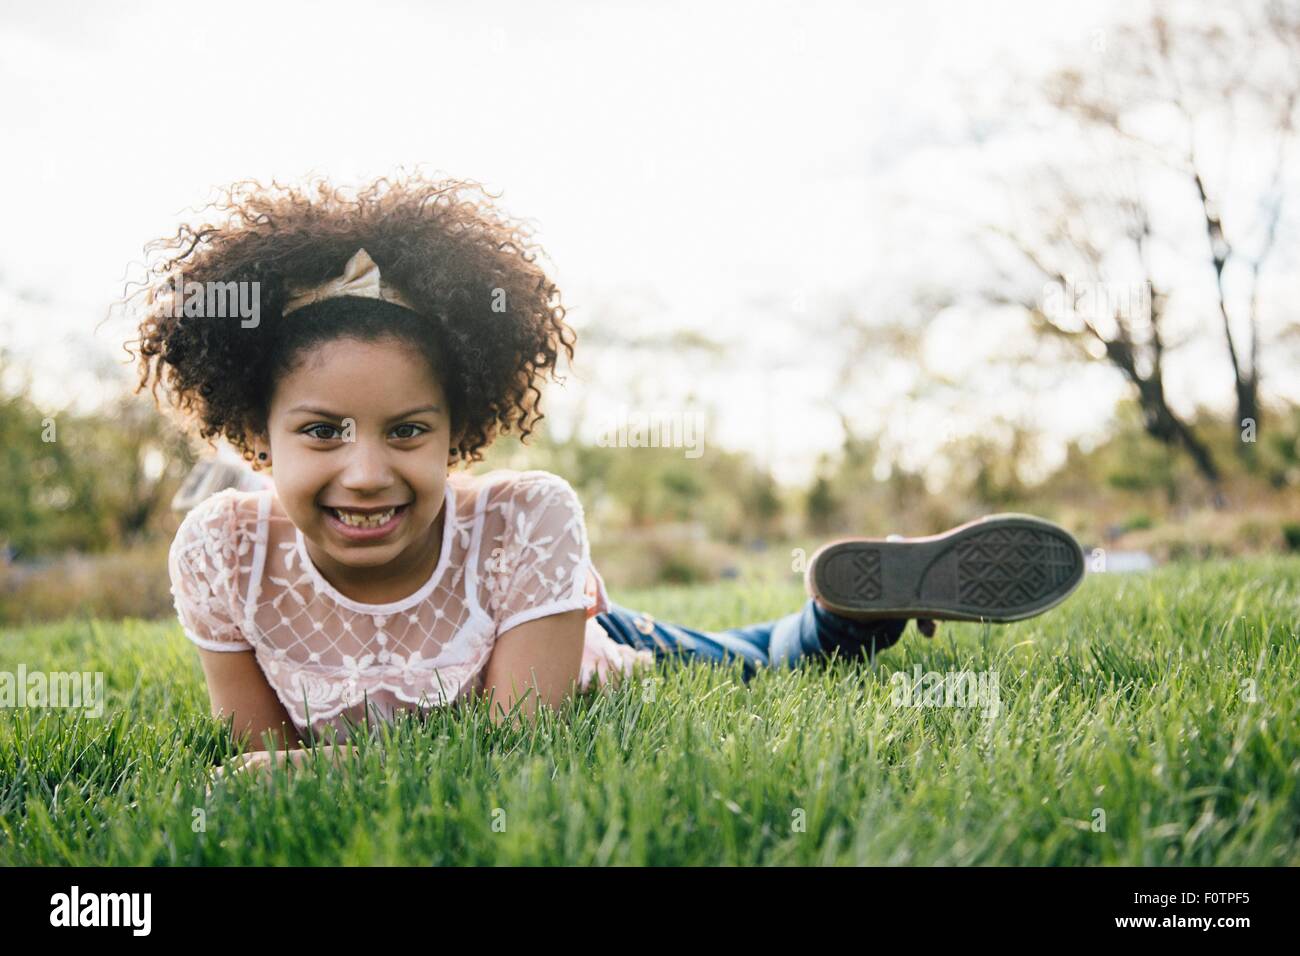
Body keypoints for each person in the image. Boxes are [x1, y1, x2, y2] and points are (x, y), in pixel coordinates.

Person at [126, 173, 1084, 781]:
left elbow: (514, 745)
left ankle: (842, 614)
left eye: (408, 430)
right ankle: (846, 607)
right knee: (746, 651)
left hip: (553, 628)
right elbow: (260, 758)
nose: (367, 473)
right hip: (500, 620)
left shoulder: (526, 516)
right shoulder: (224, 551)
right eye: (324, 432)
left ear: (462, 433)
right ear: (255, 437)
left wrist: (316, 779)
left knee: (752, 662)